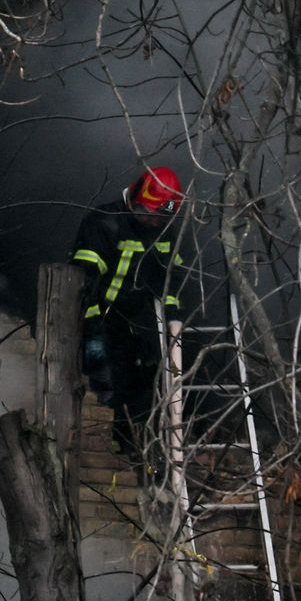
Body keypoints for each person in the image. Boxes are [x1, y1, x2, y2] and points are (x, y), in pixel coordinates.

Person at [71, 166, 190, 461]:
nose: (149, 220)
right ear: (134, 195)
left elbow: (171, 277)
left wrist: (172, 316)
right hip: (96, 317)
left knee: (139, 384)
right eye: (144, 211)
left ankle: (126, 451)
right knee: (102, 380)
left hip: (134, 324)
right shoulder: (104, 221)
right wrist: (90, 323)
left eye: (157, 216)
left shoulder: (164, 233)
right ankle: (99, 451)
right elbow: (83, 275)